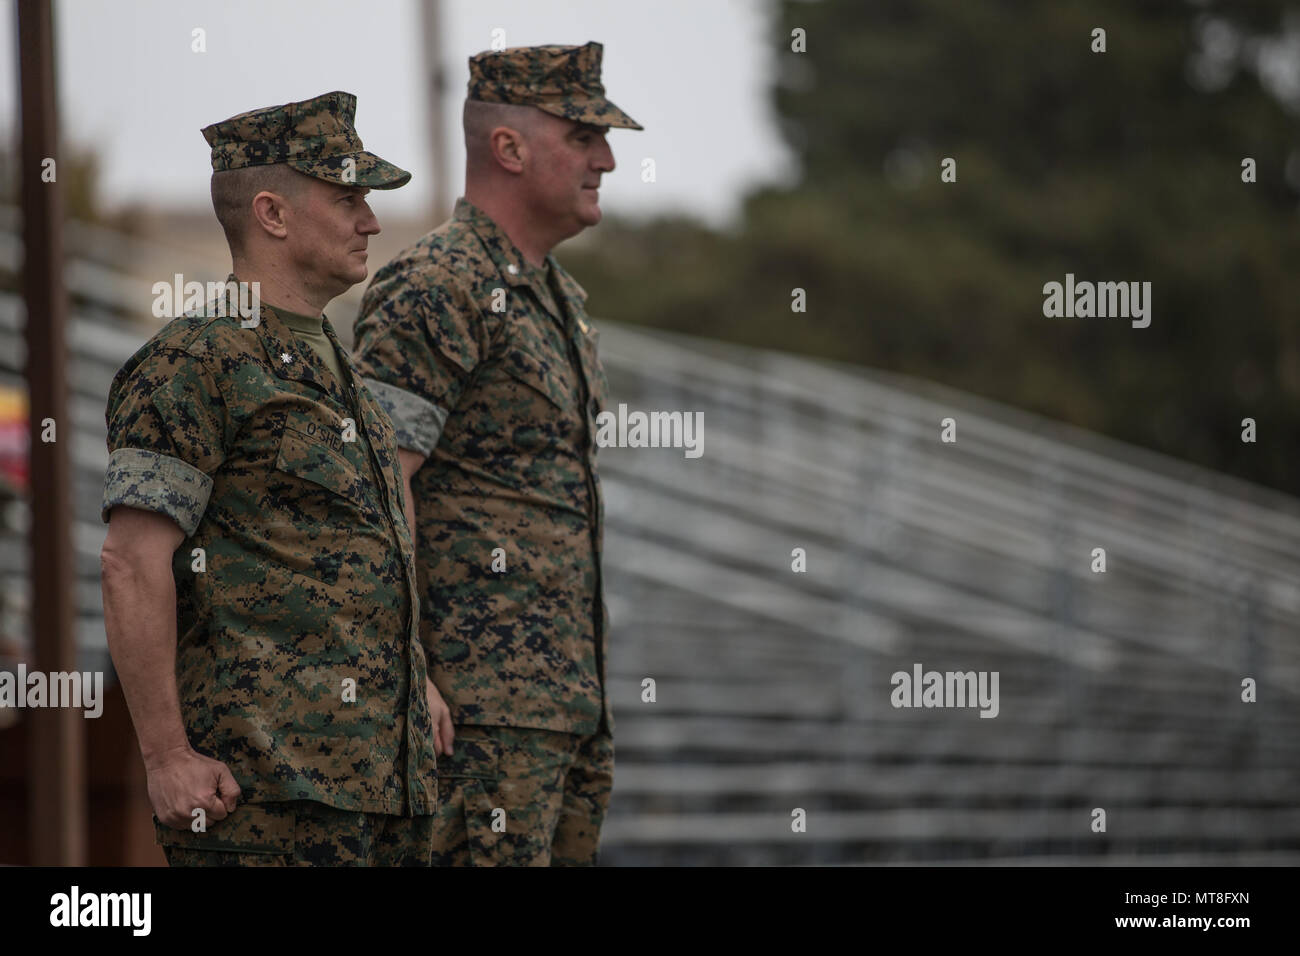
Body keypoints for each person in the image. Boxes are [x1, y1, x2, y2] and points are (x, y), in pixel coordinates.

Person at [99, 91, 439, 866]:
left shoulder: (344, 372)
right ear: (273, 215)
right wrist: (166, 758)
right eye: (347, 197)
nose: (371, 220)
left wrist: (418, 688)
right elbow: (130, 559)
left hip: (384, 789)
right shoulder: (197, 363)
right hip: (268, 795)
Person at [352, 42, 642, 866]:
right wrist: (409, 670)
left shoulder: (557, 297)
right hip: (473, 718)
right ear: (509, 149)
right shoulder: (438, 283)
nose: (607, 159)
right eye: (583, 137)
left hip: (563, 708)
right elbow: (375, 486)